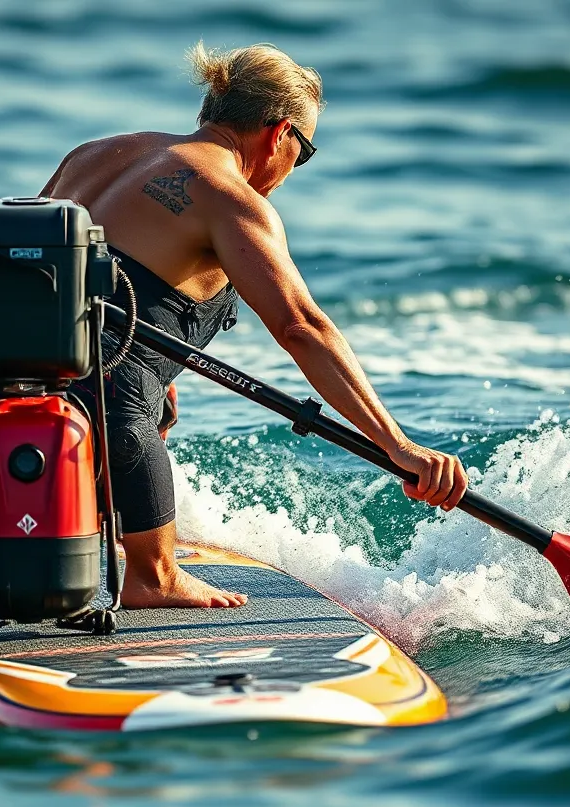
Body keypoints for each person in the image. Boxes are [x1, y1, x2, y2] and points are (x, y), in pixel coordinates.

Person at [40, 42, 467, 610]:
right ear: (279, 134)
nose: (295, 168)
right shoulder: (229, 199)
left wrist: (155, 360)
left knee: (140, 385)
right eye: (304, 151)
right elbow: (301, 328)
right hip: (108, 414)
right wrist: (398, 446)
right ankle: (152, 576)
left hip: (13, 391)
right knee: (130, 395)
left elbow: (38, 274)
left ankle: (84, 527)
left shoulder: (94, 154)